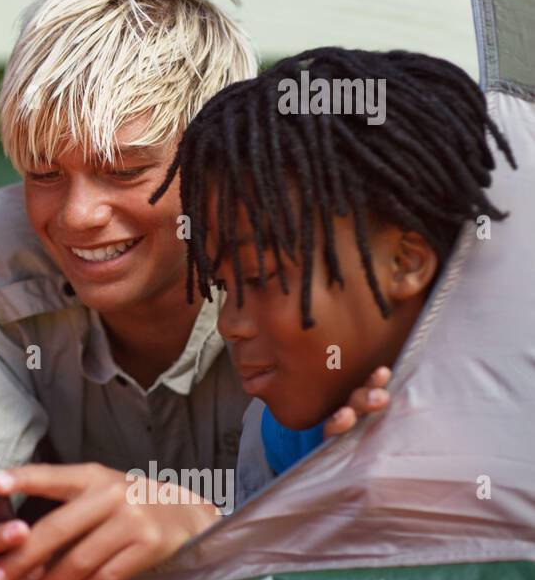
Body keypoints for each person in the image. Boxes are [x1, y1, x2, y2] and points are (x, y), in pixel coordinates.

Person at [0, 0, 376, 580]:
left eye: (126, 169)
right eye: (44, 172)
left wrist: (204, 534)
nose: (79, 215)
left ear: (218, 163)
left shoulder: (305, 286)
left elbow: (356, 576)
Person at [153, 46, 515, 506]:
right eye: (224, 287)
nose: (230, 325)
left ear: (405, 263)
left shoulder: (504, 415)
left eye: (262, 276)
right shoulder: (284, 430)